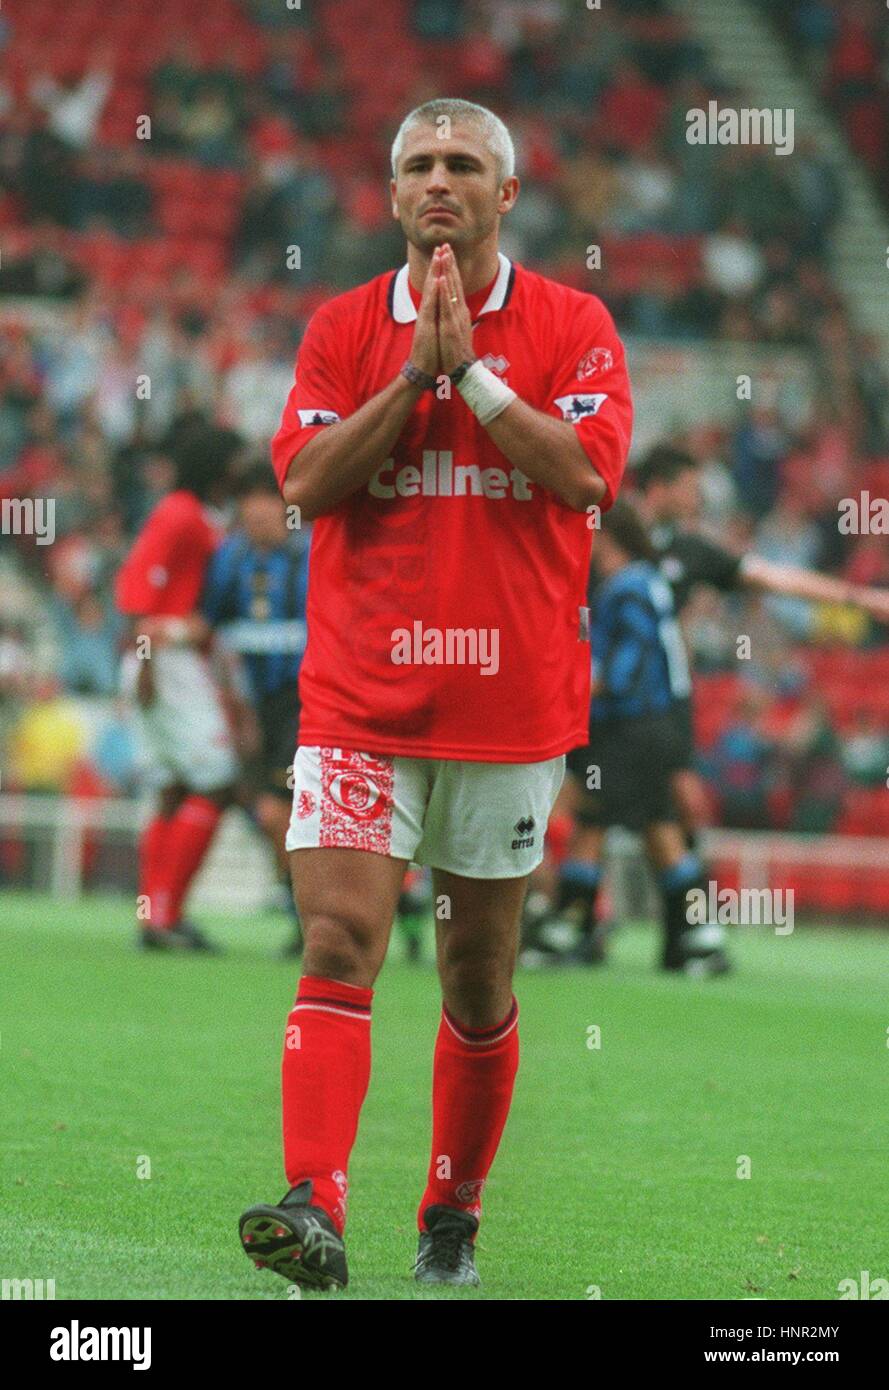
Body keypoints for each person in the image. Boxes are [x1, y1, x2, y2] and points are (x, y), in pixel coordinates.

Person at [237, 97, 632, 1291]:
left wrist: (482, 385)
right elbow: (303, 484)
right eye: (419, 164)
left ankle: (449, 1215)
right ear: (394, 192)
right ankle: (315, 1202)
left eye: (465, 164)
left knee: (476, 977)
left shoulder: (574, 324)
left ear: (508, 193)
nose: (440, 181)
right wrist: (415, 381)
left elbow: (585, 478)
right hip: (360, 698)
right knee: (340, 934)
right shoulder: (346, 327)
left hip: (508, 708)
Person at [634, 443, 889, 844]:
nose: (696, 498)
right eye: (688, 487)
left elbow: (774, 578)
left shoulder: (690, 549)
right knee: (611, 810)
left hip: (662, 702)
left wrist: (858, 598)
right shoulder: (609, 539)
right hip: (608, 696)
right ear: (658, 487)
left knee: (670, 810)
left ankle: (683, 899)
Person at [554, 497, 730, 975]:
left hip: (627, 726)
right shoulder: (647, 582)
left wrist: (575, 693)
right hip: (656, 725)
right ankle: (693, 935)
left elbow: (622, 668)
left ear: (604, 534)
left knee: (591, 819)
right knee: (658, 824)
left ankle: (571, 929)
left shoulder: (624, 587)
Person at [115, 421, 245, 951]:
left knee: (172, 786)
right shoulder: (179, 514)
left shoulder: (203, 516)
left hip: (175, 660)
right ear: (217, 465)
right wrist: (145, 664)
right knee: (216, 779)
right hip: (165, 660)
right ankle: (164, 912)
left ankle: (157, 914)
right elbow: (137, 597)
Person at [201, 463, 309, 953]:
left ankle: (306, 915)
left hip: (303, 703)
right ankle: (304, 906)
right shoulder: (231, 559)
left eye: (268, 501)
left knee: (277, 809)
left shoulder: (310, 554)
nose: (258, 513)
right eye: (249, 503)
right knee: (257, 807)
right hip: (252, 703)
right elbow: (212, 622)